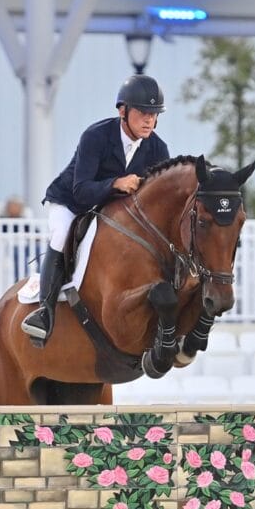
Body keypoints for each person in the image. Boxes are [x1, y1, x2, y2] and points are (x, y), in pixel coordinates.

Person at [21, 74, 171, 343]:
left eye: (154, 114)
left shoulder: (158, 149)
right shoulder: (96, 136)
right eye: (142, 113)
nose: (149, 120)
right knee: (62, 233)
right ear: (123, 111)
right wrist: (116, 183)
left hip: (112, 210)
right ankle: (44, 312)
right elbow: (81, 190)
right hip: (72, 202)